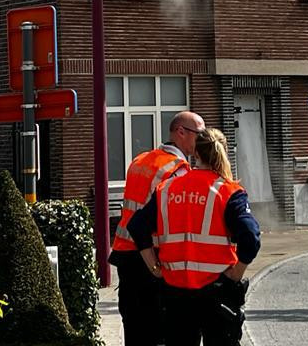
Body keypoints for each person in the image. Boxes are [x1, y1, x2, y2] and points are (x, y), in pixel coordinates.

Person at [129, 128, 261, 346]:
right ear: (223, 153)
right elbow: (250, 236)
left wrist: (155, 268)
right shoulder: (228, 191)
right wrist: (237, 272)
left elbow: (137, 226)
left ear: (196, 155)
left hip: (175, 293)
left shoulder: (167, 188)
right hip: (217, 291)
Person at [109, 110, 207, 346]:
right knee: (157, 331)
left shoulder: (141, 160)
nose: (203, 141)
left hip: (125, 256)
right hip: (150, 258)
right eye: (200, 134)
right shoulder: (178, 170)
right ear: (181, 132)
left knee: (134, 328)